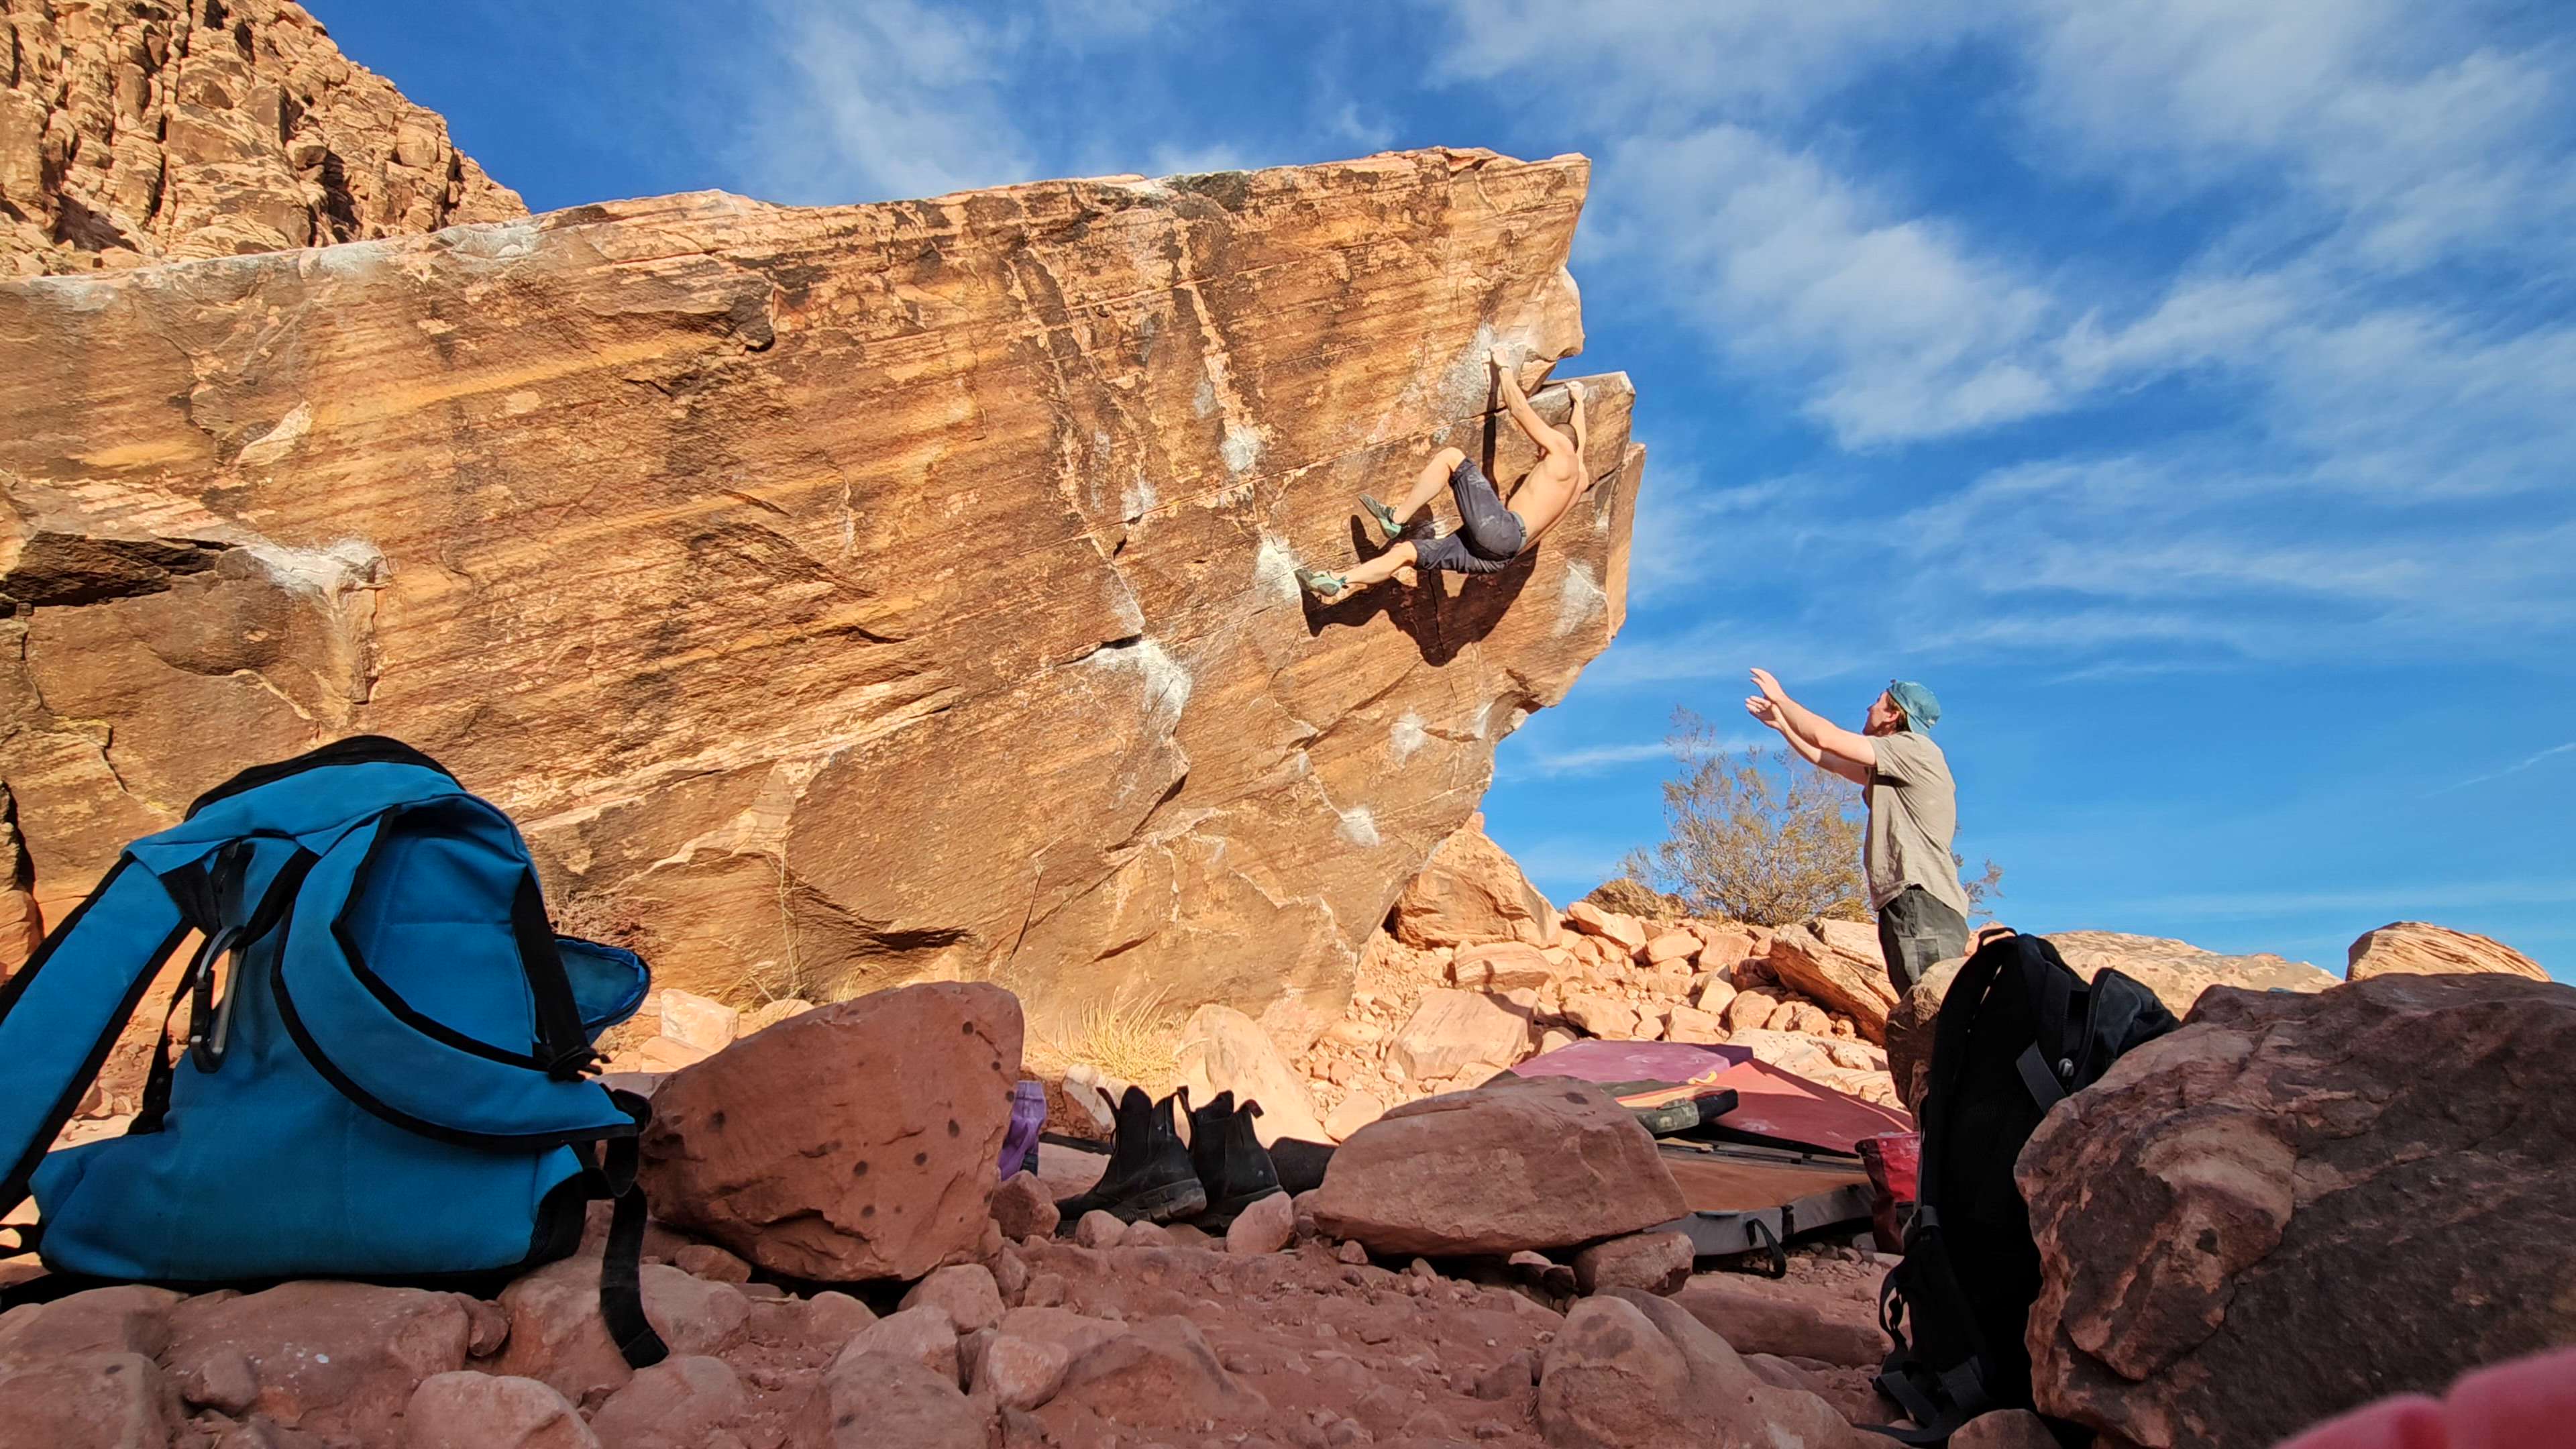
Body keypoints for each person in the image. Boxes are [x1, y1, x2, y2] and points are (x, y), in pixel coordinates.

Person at [1297, 345, 1589, 598]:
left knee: (1451, 458)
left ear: (1557, 441)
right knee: (1406, 554)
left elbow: (1521, 412)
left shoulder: (1559, 448)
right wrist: (1579, 403)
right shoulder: (1579, 477)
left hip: (1504, 532)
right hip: (1500, 558)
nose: (1538, 451)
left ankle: (1395, 519)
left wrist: (1504, 368)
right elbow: (1581, 444)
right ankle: (1338, 580)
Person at [1743, 669, 1971, 992]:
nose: (1869, 709)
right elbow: (1830, 760)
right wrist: (1783, 725)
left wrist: (1782, 699)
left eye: (1877, 703)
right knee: (1919, 1004)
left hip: (1922, 899)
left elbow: (1827, 737)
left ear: (1894, 715)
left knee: (1931, 1008)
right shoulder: (1895, 762)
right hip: (1910, 900)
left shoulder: (1913, 749)